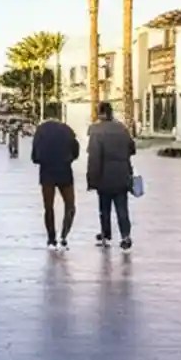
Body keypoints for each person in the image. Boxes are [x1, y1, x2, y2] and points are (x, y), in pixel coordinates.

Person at [87, 102, 135, 252]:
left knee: (104, 208)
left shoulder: (96, 130)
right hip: (122, 173)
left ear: (99, 112)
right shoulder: (122, 128)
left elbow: (94, 158)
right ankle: (125, 235)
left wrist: (92, 179)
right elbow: (132, 149)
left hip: (104, 175)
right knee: (122, 208)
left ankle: (106, 234)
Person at [32, 115, 80, 250]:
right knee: (70, 205)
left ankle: (51, 239)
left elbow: (35, 156)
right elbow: (76, 151)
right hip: (65, 171)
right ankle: (64, 236)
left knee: (48, 207)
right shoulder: (67, 130)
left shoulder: (40, 131)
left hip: (47, 172)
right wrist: (67, 159)